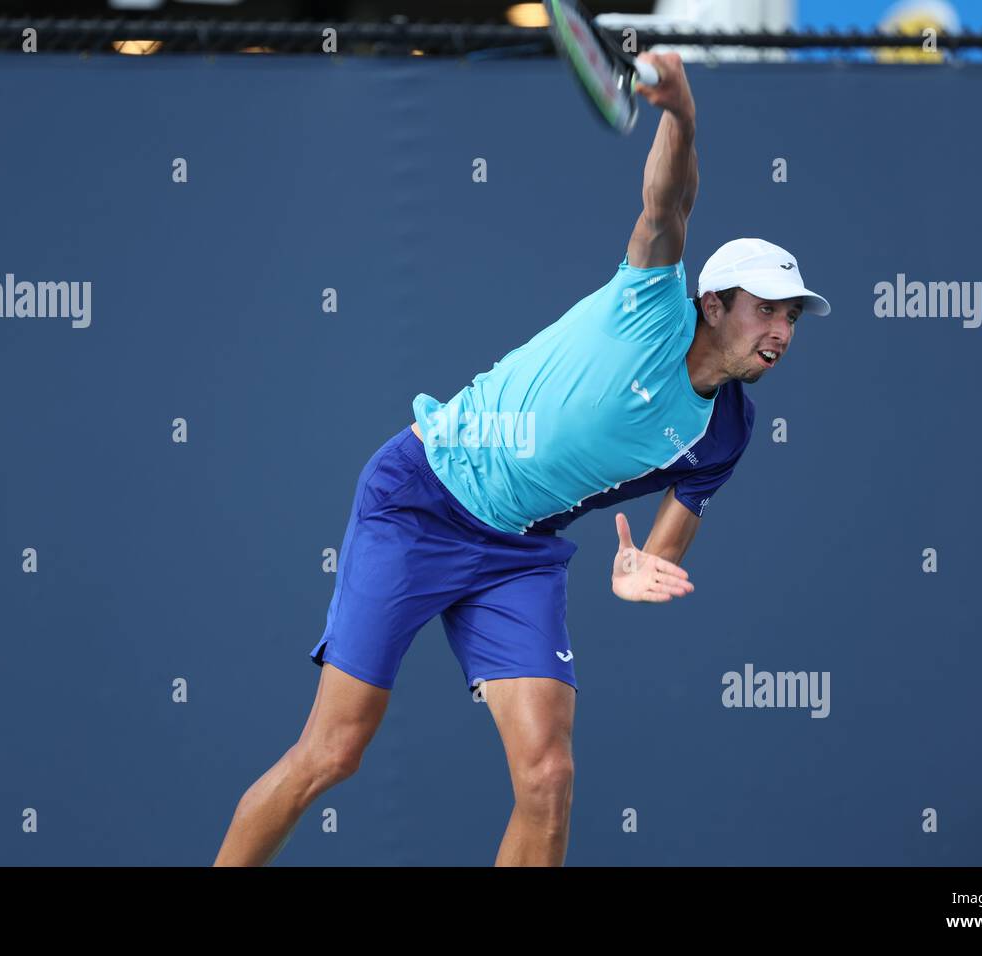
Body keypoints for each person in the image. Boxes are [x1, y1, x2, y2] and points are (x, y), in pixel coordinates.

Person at [213, 51, 830, 867]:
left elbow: (661, 549)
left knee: (548, 775)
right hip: (422, 498)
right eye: (764, 311)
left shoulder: (726, 432)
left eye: (791, 316)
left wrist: (635, 572)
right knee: (334, 751)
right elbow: (668, 200)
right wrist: (680, 112)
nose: (781, 331)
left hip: (517, 555)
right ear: (711, 304)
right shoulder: (649, 303)